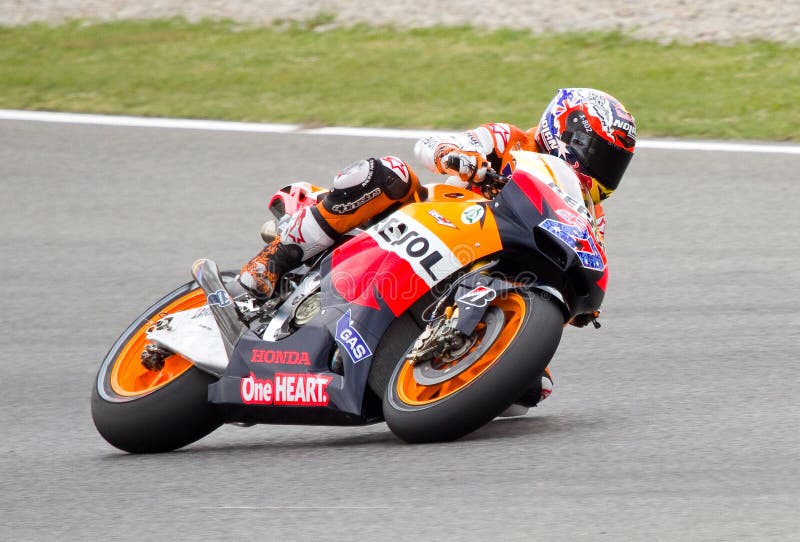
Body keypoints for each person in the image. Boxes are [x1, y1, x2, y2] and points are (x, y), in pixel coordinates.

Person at [238, 87, 637, 407]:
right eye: (596, 152)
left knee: (529, 389)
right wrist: (457, 157)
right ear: (564, 131)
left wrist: (580, 302)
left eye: (613, 162)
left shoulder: (588, 210)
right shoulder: (511, 140)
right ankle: (276, 257)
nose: (601, 167)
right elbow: (430, 144)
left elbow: (584, 253)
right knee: (388, 173)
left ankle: (438, 357)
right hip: (425, 217)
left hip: (486, 262)